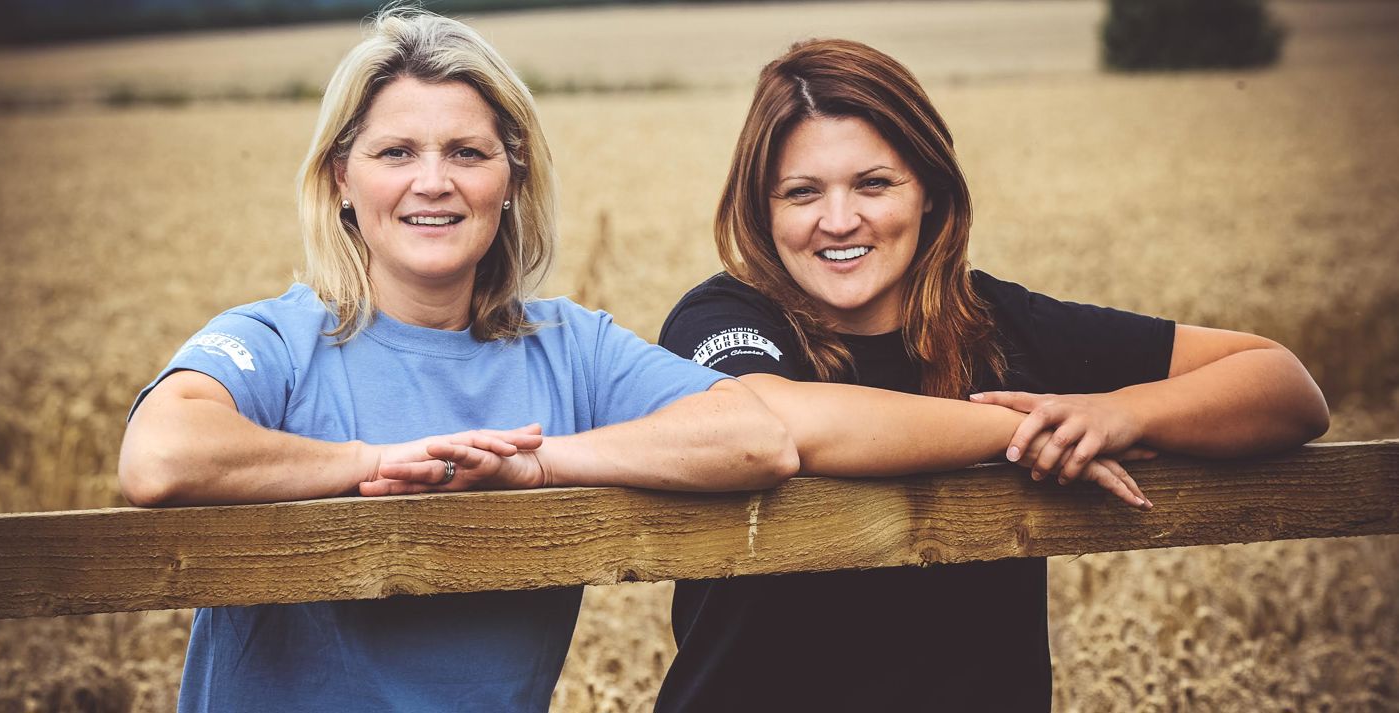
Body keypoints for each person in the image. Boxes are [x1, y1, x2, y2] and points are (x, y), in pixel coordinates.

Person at [119, 11, 1135, 711]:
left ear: (512, 177)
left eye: (468, 152)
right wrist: (374, 466)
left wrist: (542, 464)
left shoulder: (571, 347)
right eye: (395, 153)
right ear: (341, 178)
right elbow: (162, 455)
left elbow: (753, 432)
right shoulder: (278, 334)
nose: (434, 182)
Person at [653, 39, 1329, 712]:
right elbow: (773, 421)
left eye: (874, 183)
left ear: (931, 193)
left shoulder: (1000, 322)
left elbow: (1285, 387)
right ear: (763, 211)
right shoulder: (724, 316)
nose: (838, 220)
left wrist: (1119, 414)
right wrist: (1022, 428)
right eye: (802, 193)